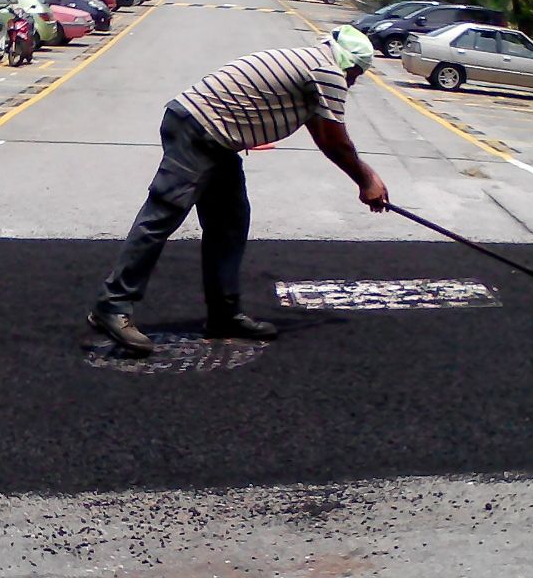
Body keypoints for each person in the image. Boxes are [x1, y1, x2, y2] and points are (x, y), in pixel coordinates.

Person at [88, 25, 388, 357]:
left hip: (214, 138)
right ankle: (112, 304)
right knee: (162, 215)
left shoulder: (312, 62)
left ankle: (223, 315)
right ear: (350, 64)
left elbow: (320, 130)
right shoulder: (328, 72)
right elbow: (334, 139)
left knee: (230, 223)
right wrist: (366, 181)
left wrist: (366, 177)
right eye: (357, 74)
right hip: (199, 132)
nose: (354, 81)